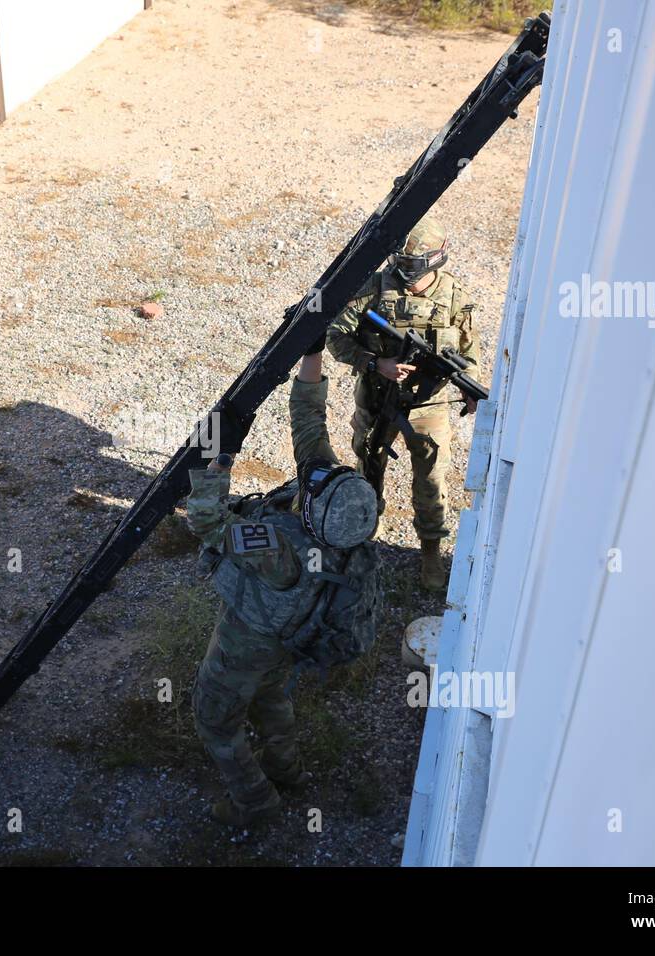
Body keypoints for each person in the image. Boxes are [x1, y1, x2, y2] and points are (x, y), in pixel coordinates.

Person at [186, 347, 379, 826]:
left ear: (312, 512)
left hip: (248, 639)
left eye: (316, 482)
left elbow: (206, 521)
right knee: (271, 696)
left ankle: (255, 802)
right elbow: (309, 420)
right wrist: (311, 353)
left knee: (214, 720)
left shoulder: (278, 548)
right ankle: (286, 770)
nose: (314, 471)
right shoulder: (342, 514)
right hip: (292, 636)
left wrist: (219, 460)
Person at [325, 215, 481, 591]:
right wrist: (376, 363)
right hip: (379, 399)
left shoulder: (455, 298)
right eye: (400, 263)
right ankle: (361, 543)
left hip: (429, 405)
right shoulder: (376, 289)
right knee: (368, 472)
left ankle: (430, 553)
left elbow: (469, 354)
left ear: (434, 259)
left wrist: (469, 389)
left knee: (430, 480)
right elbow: (336, 336)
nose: (404, 272)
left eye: (412, 265)